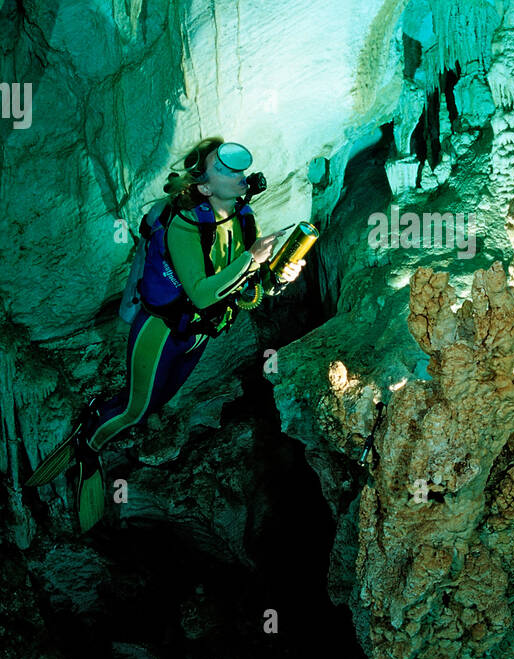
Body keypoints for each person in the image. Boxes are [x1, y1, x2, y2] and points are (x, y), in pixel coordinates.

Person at [25, 137, 305, 532]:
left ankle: (104, 416)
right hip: (160, 333)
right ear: (206, 188)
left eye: (237, 169)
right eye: (224, 169)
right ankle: (88, 443)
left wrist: (275, 277)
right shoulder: (185, 225)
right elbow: (203, 292)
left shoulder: (243, 218)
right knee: (136, 409)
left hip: (197, 336)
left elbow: (242, 291)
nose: (238, 174)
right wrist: (251, 259)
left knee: (155, 402)